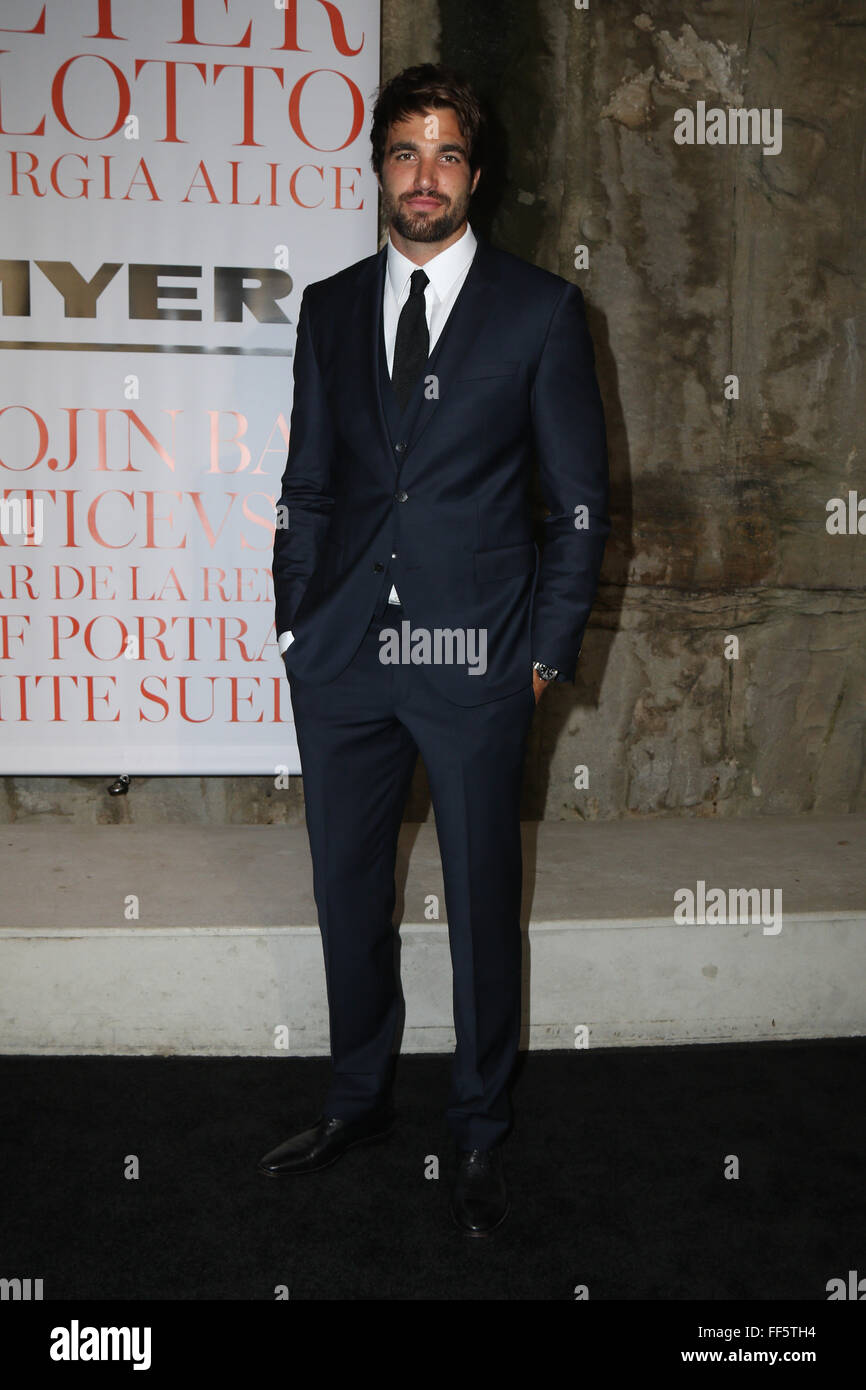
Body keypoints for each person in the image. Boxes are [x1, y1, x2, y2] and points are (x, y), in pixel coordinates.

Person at [260, 63, 610, 1236]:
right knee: (346, 889)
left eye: (446, 153)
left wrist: (544, 654)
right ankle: (357, 1098)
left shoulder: (543, 313)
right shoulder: (327, 306)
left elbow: (574, 505)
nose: (424, 175)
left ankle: (477, 1125)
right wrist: (296, 620)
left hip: (478, 660)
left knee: (477, 896)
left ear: (476, 172)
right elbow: (309, 485)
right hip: (344, 656)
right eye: (404, 151)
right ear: (377, 167)